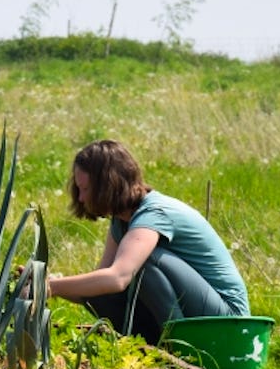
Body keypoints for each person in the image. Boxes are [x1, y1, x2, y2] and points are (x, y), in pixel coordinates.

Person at [45, 139, 249, 345]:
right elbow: (101, 285)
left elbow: (118, 277)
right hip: (203, 313)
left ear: (107, 185)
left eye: (85, 189)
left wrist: (51, 286)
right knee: (99, 294)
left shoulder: (153, 215)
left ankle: (180, 348)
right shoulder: (122, 221)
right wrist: (44, 282)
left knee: (140, 261)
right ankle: (153, 346)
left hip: (229, 320)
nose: (80, 198)